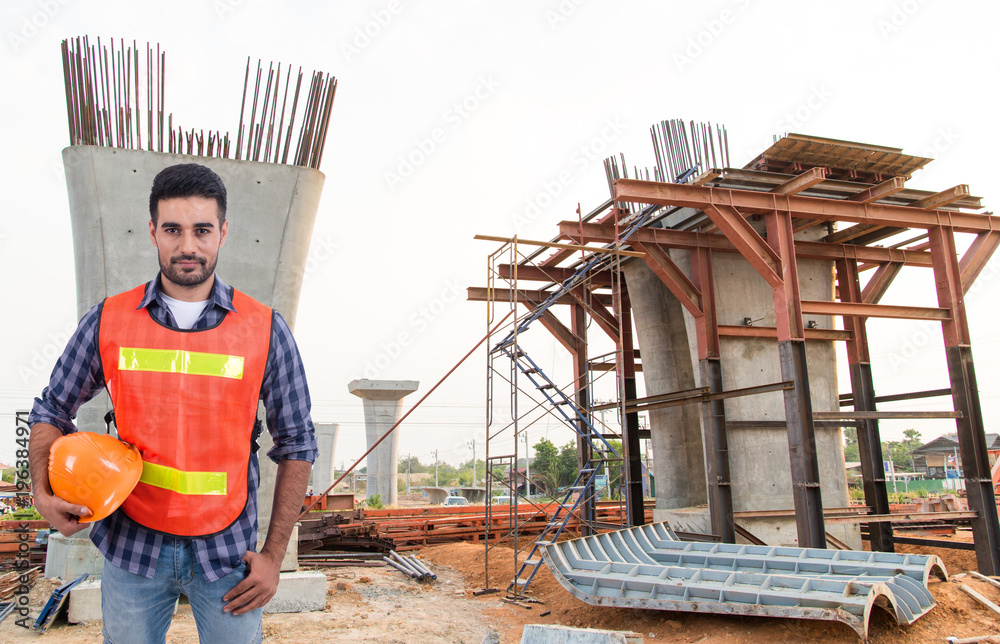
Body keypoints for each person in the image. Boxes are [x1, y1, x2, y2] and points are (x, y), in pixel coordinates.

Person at [28, 163, 317, 643]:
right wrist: (40, 492)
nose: (188, 246)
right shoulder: (109, 320)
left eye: (202, 230)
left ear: (222, 232)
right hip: (132, 549)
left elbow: (298, 443)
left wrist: (274, 556)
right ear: (152, 232)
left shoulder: (265, 329)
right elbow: (50, 409)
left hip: (229, 558)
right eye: (173, 230)